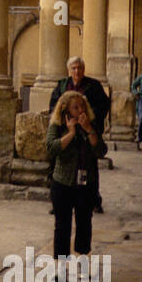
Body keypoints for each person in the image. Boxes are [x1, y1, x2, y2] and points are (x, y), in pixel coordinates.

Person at [46, 90, 107, 262]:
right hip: (62, 182)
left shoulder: (91, 124)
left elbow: (101, 151)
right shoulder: (57, 125)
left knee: (84, 223)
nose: (81, 110)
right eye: (76, 107)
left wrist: (89, 130)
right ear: (66, 110)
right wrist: (70, 133)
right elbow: (51, 148)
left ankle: (82, 259)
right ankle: (60, 265)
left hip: (86, 183)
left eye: (83, 106)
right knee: (62, 226)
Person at [48, 56, 110, 213]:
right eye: (74, 68)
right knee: (58, 165)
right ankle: (58, 202)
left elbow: (103, 105)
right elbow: (54, 106)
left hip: (85, 129)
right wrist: (62, 121)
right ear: (69, 70)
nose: (77, 71)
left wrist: (88, 118)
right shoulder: (62, 85)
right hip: (66, 130)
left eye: (80, 68)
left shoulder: (93, 86)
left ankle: (94, 200)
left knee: (89, 165)